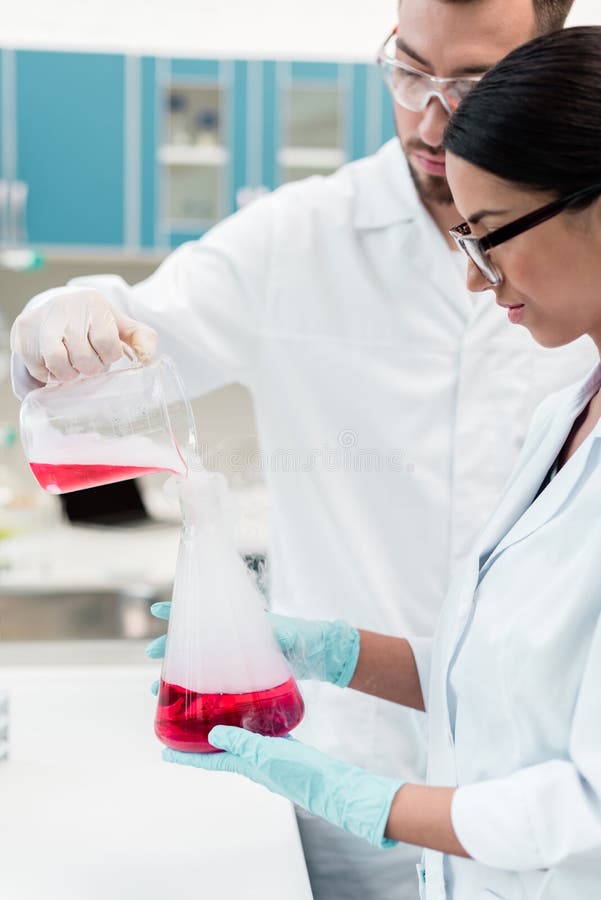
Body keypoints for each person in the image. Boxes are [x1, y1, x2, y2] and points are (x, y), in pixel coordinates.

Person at [9, 2, 595, 897]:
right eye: (408, 72)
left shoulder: (561, 306)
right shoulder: (301, 235)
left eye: (472, 83)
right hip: (356, 754)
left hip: (530, 805)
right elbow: (135, 342)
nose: (429, 117)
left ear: (541, 72)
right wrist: (60, 322)